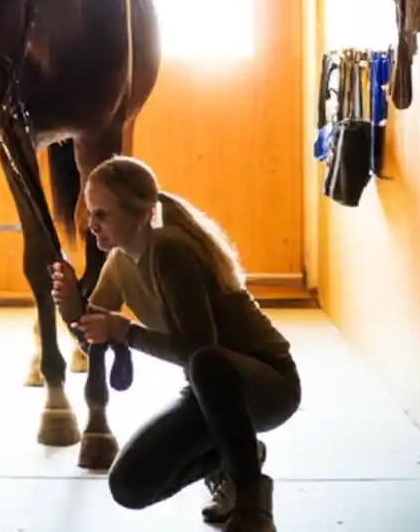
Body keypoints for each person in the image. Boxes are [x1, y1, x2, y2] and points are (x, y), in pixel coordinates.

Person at [50, 155, 301, 532]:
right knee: (128, 486)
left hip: (268, 386)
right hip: (209, 392)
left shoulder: (170, 249)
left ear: (142, 215)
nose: (91, 225)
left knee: (204, 365)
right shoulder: (118, 261)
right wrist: (72, 307)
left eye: (102, 214)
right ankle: (238, 456)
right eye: (90, 213)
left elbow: (200, 352)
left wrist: (126, 333)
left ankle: (252, 503)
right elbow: (94, 339)